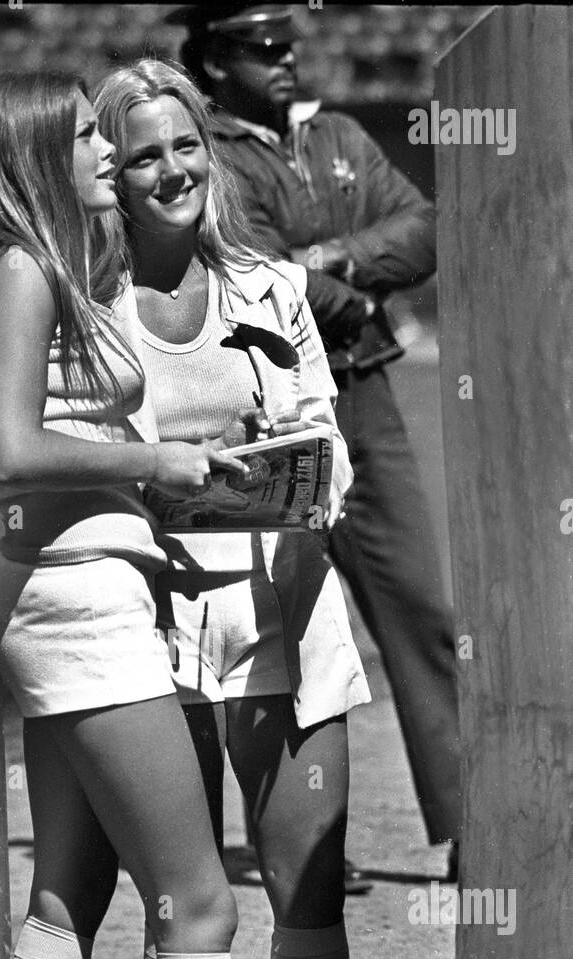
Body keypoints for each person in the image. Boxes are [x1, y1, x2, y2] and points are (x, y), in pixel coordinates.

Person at [0, 69, 416, 959]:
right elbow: (6, 445)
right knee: (196, 905)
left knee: (66, 895)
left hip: (72, 593)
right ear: (40, 150)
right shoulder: (36, 269)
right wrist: (162, 462)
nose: (112, 153)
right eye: (93, 136)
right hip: (91, 605)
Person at [93, 57, 437, 959]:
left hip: (287, 607)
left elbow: (329, 452)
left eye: (184, 146)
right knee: (181, 904)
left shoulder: (266, 286)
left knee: (305, 894)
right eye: (143, 154)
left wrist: (285, 459)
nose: (173, 171)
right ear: (109, 170)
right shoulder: (86, 306)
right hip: (153, 627)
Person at [167, 3, 461, 886]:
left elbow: (425, 231)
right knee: (279, 622)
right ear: (216, 59)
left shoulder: (334, 134)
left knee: (418, 605)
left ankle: (472, 825)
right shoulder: (206, 153)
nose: (286, 57)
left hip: (360, 392)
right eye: (263, 47)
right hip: (266, 407)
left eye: (288, 43)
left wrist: (328, 261)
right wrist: (342, 281)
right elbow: (255, 273)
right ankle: (302, 844)